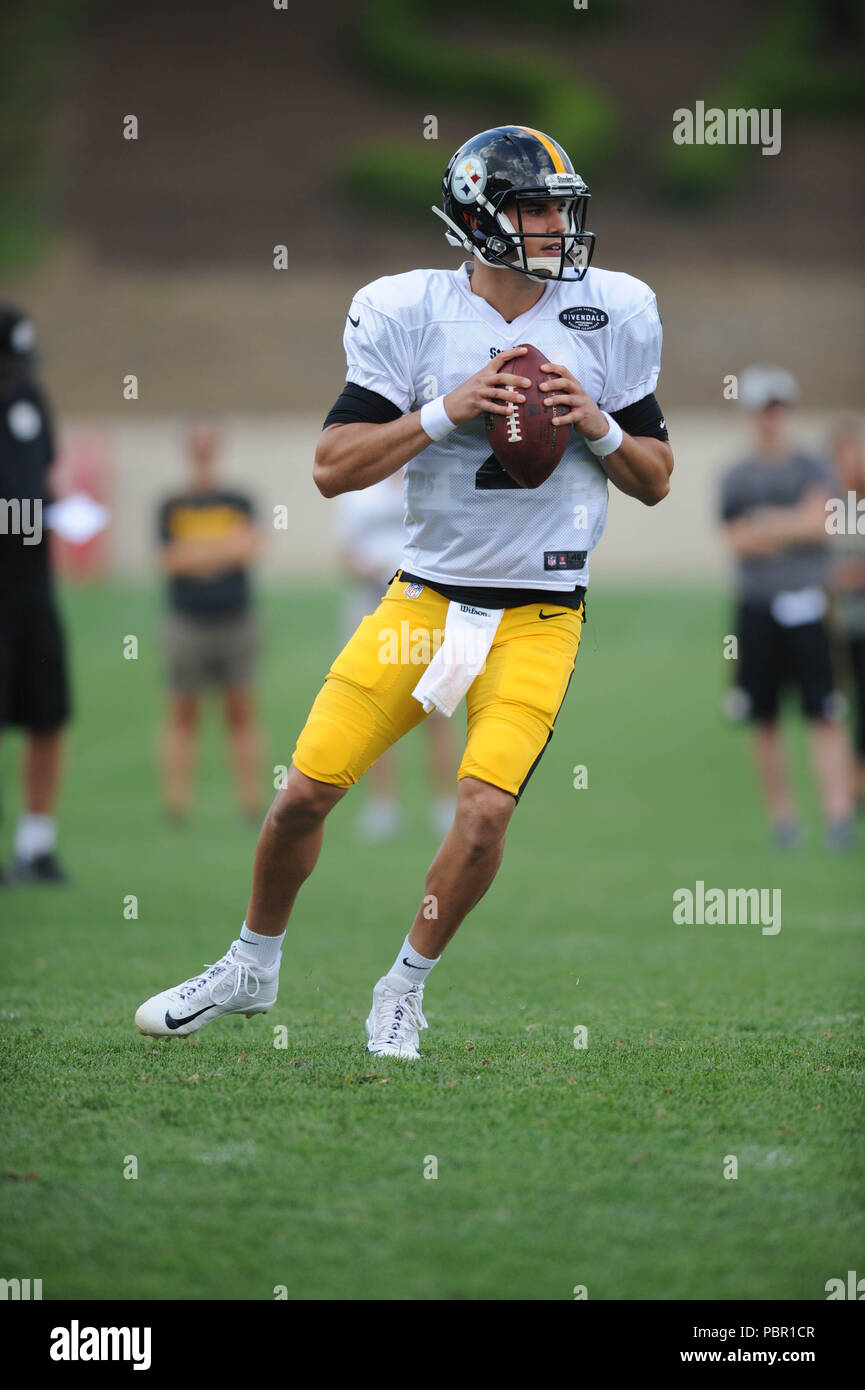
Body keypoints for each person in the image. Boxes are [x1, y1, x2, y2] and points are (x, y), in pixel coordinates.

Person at [136, 125, 673, 1056]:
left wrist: (595, 427)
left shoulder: (613, 310)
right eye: (534, 207)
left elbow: (658, 477)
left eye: (560, 205)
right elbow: (332, 468)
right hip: (424, 600)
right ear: (478, 218)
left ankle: (403, 986)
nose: (556, 224)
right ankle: (250, 965)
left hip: (540, 611)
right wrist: (444, 408)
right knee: (302, 793)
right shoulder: (407, 310)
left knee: (484, 808)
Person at [720, 364, 854, 848]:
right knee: (765, 717)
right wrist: (792, 524)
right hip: (757, 608)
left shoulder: (813, 467)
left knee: (824, 712)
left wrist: (767, 525)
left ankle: (838, 815)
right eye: (763, 408)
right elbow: (737, 539)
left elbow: (821, 525)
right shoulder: (736, 475)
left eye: (778, 407)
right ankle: (783, 819)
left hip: (811, 606)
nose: (771, 418)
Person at [335, 470, 456, 840]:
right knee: (376, 712)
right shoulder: (358, 493)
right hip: (371, 611)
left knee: (435, 708)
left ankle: (445, 804)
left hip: (427, 614)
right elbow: (344, 554)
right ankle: (383, 805)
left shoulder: (434, 483)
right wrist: (370, 571)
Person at [157, 419, 263, 823]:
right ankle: (177, 805)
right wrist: (224, 548)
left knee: (241, 710)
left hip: (236, 619)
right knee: (183, 711)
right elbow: (170, 560)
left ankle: (250, 802)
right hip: (186, 621)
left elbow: (250, 548)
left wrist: (196, 552)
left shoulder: (239, 500)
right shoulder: (172, 505)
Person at [0, 302, 71, 884]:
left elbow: (42, 476)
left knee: (47, 711)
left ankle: (36, 844)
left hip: (33, 588)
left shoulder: (31, 399)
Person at [827, 420, 865, 810]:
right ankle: (842, 786)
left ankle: (856, 782)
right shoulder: (824, 503)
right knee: (834, 705)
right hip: (837, 625)